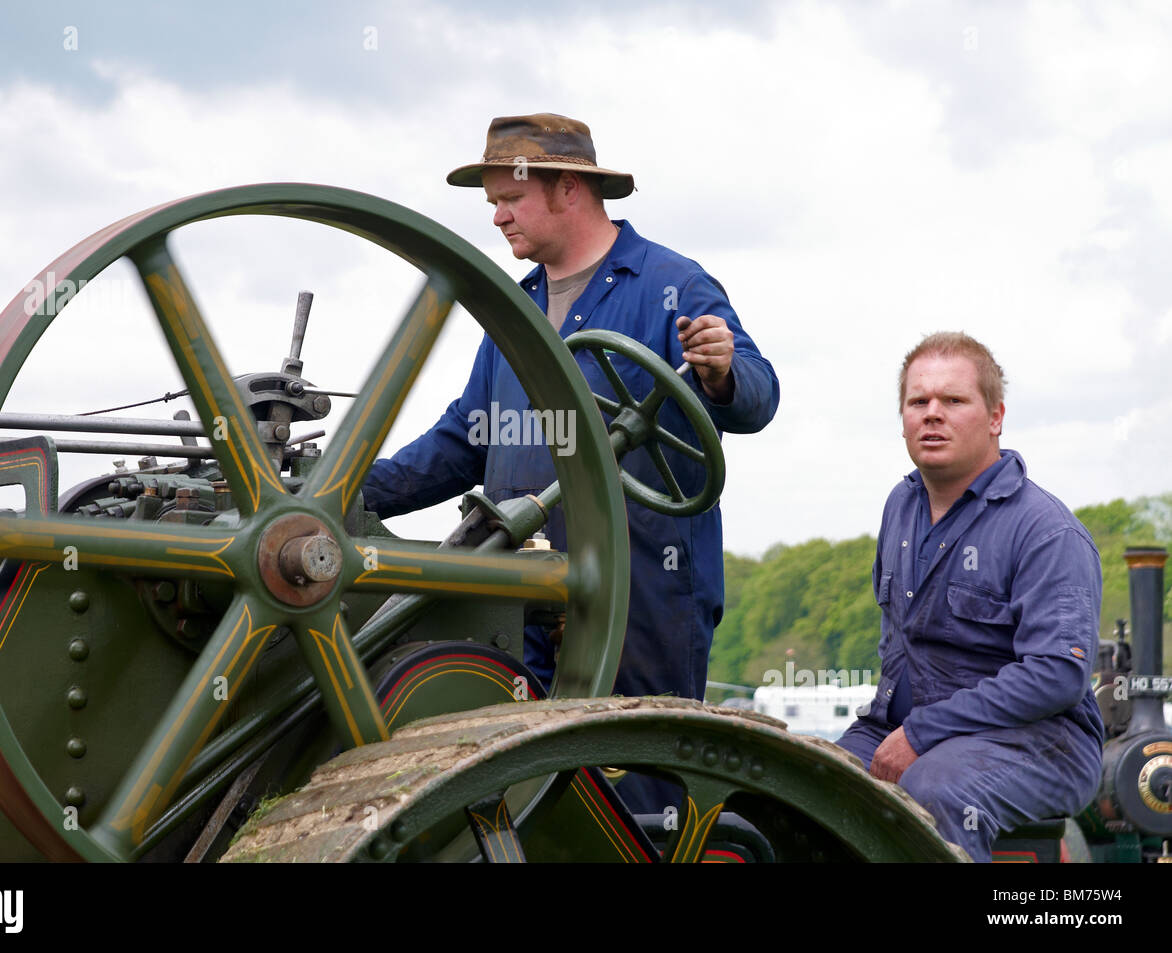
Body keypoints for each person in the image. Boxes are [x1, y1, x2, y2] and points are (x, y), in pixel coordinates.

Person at [362, 113, 778, 714]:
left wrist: (722, 370)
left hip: (639, 597)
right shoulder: (516, 308)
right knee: (516, 781)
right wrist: (346, 493)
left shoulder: (673, 285)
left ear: (568, 188)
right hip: (518, 596)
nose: (498, 215)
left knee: (636, 781)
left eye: (511, 198)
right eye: (493, 201)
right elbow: (464, 441)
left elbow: (760, 395)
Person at [835, 332, 1104, 861]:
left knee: (935, 791)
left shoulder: (1046, 531)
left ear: (995, 416)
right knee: (795, 783)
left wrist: (922, 731)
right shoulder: (901, 505)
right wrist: (900, 730)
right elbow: (899, 646)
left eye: (953, 401)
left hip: (1043, 742)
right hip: (906, 727)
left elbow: (1057, 674)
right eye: (919, 402)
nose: (932, 414)